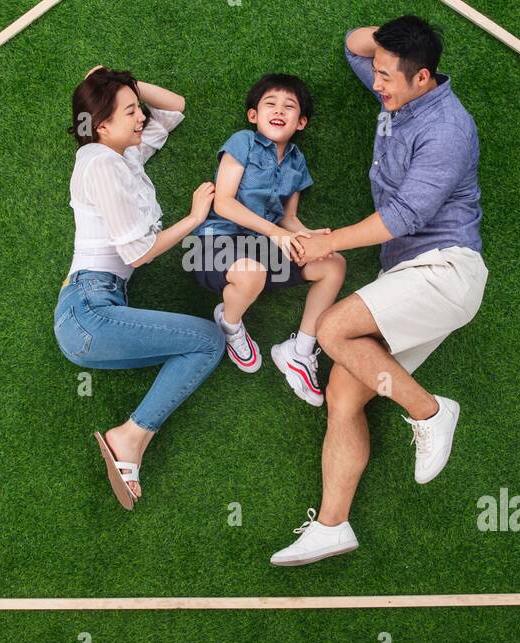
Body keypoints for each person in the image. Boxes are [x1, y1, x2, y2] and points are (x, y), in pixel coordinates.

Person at [269, 16, 489, 565]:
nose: (375, 82)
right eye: (377, 71)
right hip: (407, 278)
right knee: (344, 396)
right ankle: (332, 526)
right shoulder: (398, 91)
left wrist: (327, 242)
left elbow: (404, 216)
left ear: (424, 79)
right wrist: (396, 41)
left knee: (331, 327)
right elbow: (352, 43)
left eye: (388, 75)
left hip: (445, 270)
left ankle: (431, 412)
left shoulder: (448, 129)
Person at [53, 66, 223, 511]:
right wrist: (193, 218)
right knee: (207, 341)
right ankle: (128, 438)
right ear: (102, 124)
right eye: (130, 111)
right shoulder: (102, 163)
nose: (141, 116)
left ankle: (129, 438)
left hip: (93, 315)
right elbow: (138, 254)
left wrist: (117, 79)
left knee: (200, 346)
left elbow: (174, 108)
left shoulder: (119, 156)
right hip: (89, 310)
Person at [186, 74, 346, 406]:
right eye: (270, 104)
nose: (279, 110)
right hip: (213, 246)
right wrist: (276, 233)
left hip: (262, 249)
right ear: (253, 115)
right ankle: (229, 324)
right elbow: (223, 202)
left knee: (332, 263)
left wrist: (308, 235)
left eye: (290, 107)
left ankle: (299, 352)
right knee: (251, 272)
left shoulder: (297, 161)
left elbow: (288, 218)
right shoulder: (242, 142)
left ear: (301, 122)